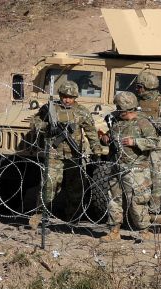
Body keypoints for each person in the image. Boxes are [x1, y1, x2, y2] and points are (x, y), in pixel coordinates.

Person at [29, 79, 103, 230]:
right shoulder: (50, 108)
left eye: (70, 97)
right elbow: (34, 122)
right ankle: (40, 215)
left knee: (75, 188)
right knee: (48, 186)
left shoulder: (81, 111)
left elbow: (91, 132)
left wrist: (97, 150)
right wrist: (47, 128)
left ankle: (73, 220)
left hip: (74, 155)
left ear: (75, 97)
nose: (67, 100)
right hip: (54, 154)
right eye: (64, 96)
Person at [99, 91, 159, 242]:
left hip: (136, 168)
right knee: (114, 199)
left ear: (128, 109)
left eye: (120, 110)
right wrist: (105, 139)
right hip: (117, 166)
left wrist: (136, 142)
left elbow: (154, 141)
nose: (118, 112)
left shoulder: (142, 122)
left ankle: (144, 231)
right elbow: (112, 140)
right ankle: (114, 231)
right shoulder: (116, 123)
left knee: (137, 201)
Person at [132, 70, 161, 218]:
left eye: (139, 87)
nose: (137, 90)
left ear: (146, 87)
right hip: (138, 144)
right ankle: (137, 212)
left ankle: (153, 213)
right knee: (138, 178)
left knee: (157, 179)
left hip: (157, 146)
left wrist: (147, 120)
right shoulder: (134, 101)